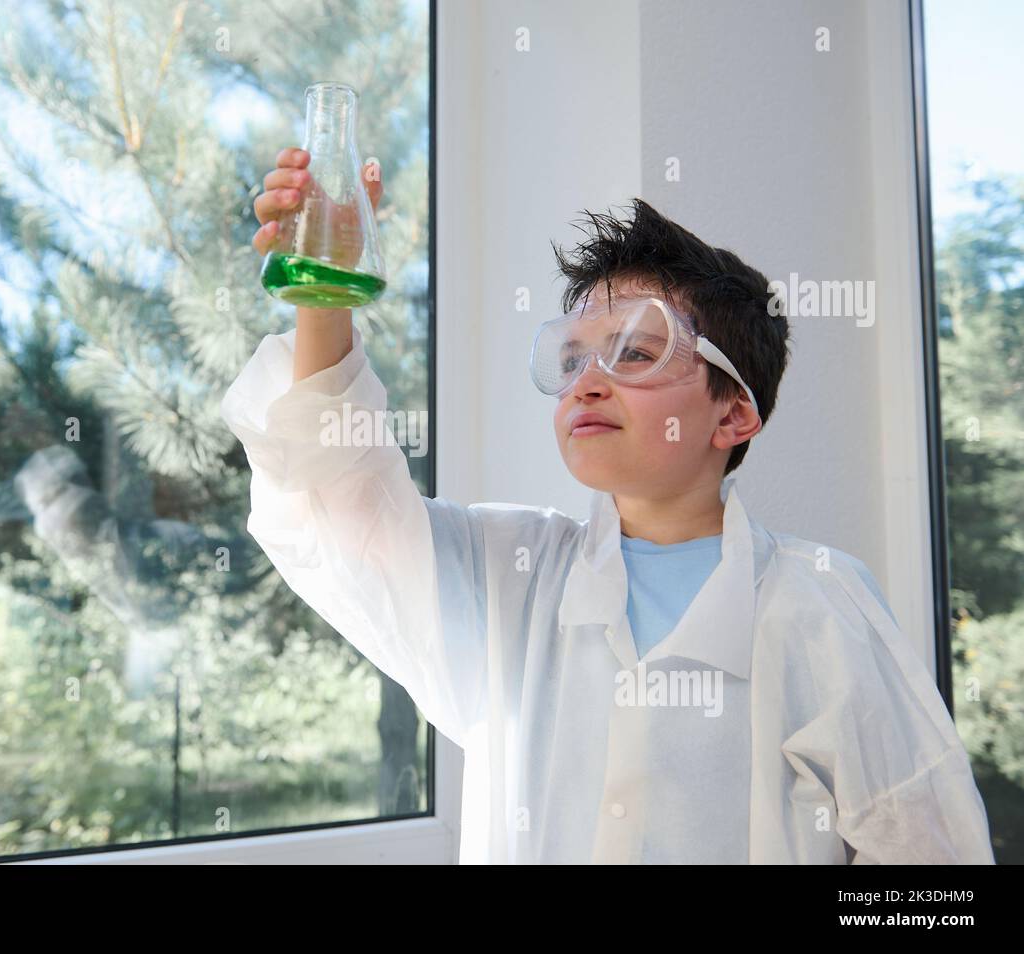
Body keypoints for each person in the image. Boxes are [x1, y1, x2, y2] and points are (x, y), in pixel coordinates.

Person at [219, 146, 996, 864]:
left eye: (636, 351)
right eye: (571, 356)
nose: (587, 381)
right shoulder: (509, 576)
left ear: (734, 415)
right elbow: (338, 493)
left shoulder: (821, 607)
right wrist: (325, 291)